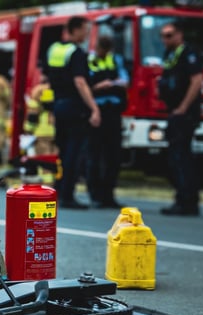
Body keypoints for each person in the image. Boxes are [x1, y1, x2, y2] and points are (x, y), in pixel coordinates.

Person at [46, 16, 101, 209]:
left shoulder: (54, 50)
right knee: (74, 153)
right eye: (85, 30)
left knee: (62, 151)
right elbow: (80, 82)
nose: (86, 34)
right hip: (74, 107)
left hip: (59, 105)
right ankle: (68, 195)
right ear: (75, 30)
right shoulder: (77, 53)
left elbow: (49, 77)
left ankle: (59, 190)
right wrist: (94, 107)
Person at [158, 21, 203, 216]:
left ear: (179, 35)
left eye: (169, 35)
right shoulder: (169, 55)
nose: (165, 39)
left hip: (184, 114)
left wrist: (183, 107)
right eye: (163, 36)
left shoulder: (189, 54)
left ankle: (188, 201)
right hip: (174, 112)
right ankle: (182, 198)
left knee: (182, 158)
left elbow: (197, 80)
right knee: (175, 159)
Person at [86, 35, 129, 208]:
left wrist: (111, 83)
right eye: (101, 49)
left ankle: (108, 195)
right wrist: (100, 86)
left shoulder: (116, 60)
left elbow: (125, 81)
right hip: (97, 112)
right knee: (94, 155)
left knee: (113, 156)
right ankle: (95, 194)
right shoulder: (89, 60)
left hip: (113, 113)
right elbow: (84, 86)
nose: (103, 53)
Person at [24, 78, 57, 184]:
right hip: (58, 131)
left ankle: (47, 187)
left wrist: (29, 129)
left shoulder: (39, 90)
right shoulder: (63, 89)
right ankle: (57, 185)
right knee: (56, 160)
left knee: (44, 161)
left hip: (42, 131)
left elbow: (33, 113)